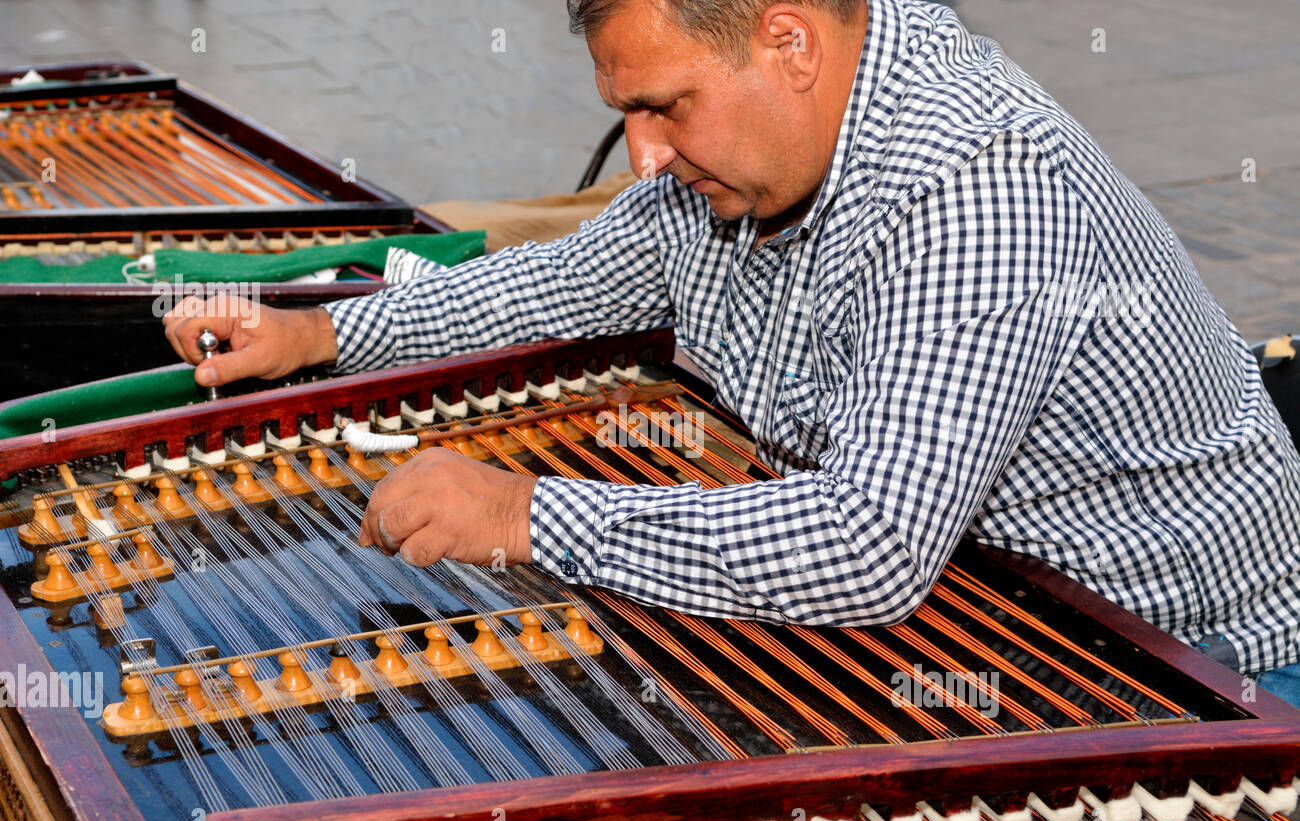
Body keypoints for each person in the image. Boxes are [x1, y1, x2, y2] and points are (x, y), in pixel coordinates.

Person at [163, 0, 1300, 705]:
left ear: (788, 42)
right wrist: (317, 333)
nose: (645, 155)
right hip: (993, 614)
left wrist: (523, 514)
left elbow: (867, 544)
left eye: (666, 107)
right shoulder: (749, 153)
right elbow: (556, 279)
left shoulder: (974, 184)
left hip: (1183, 666)